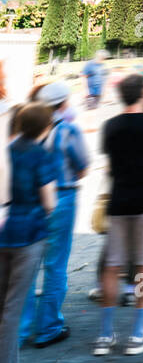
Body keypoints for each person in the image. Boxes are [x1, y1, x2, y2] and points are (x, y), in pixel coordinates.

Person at [94, 74, 143, 356]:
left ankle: (105, 334)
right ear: (142, 94)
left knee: (112, 268)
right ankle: (138, 333)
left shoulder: (110, 126)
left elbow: (109, 161)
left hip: (118, 203)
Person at [20, 81, 89, 348]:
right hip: (62, 196)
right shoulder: (68, 130)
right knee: (56, 264)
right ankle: (49, 326)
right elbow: (83, 166)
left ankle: (21, 329)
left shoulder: (26, 130)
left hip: (31, 199)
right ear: (63, 103)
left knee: (28, 266)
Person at [0, 104, 56, 363]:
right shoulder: (40, 155)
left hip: (3, 232)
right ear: (46, 127)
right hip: (29, 235)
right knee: (13, 307)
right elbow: (50, 202)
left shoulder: (7, 150)